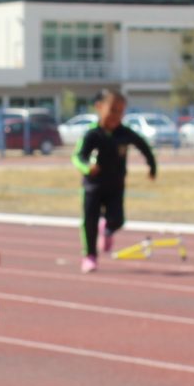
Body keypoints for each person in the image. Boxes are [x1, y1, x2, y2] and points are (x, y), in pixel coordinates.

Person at [70, 88, 156, 274]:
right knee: (89, 222)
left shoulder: (124, 133)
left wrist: (152, 166)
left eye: (120, 111)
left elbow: (144, 147)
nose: (116, 116)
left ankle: (108, 229)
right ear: (99, 107)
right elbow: (78, 156)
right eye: (112, 110)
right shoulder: (92, 134)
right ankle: (90, 256)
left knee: (118, 219)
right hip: (93, 186)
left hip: (116, 185)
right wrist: (87, 167)